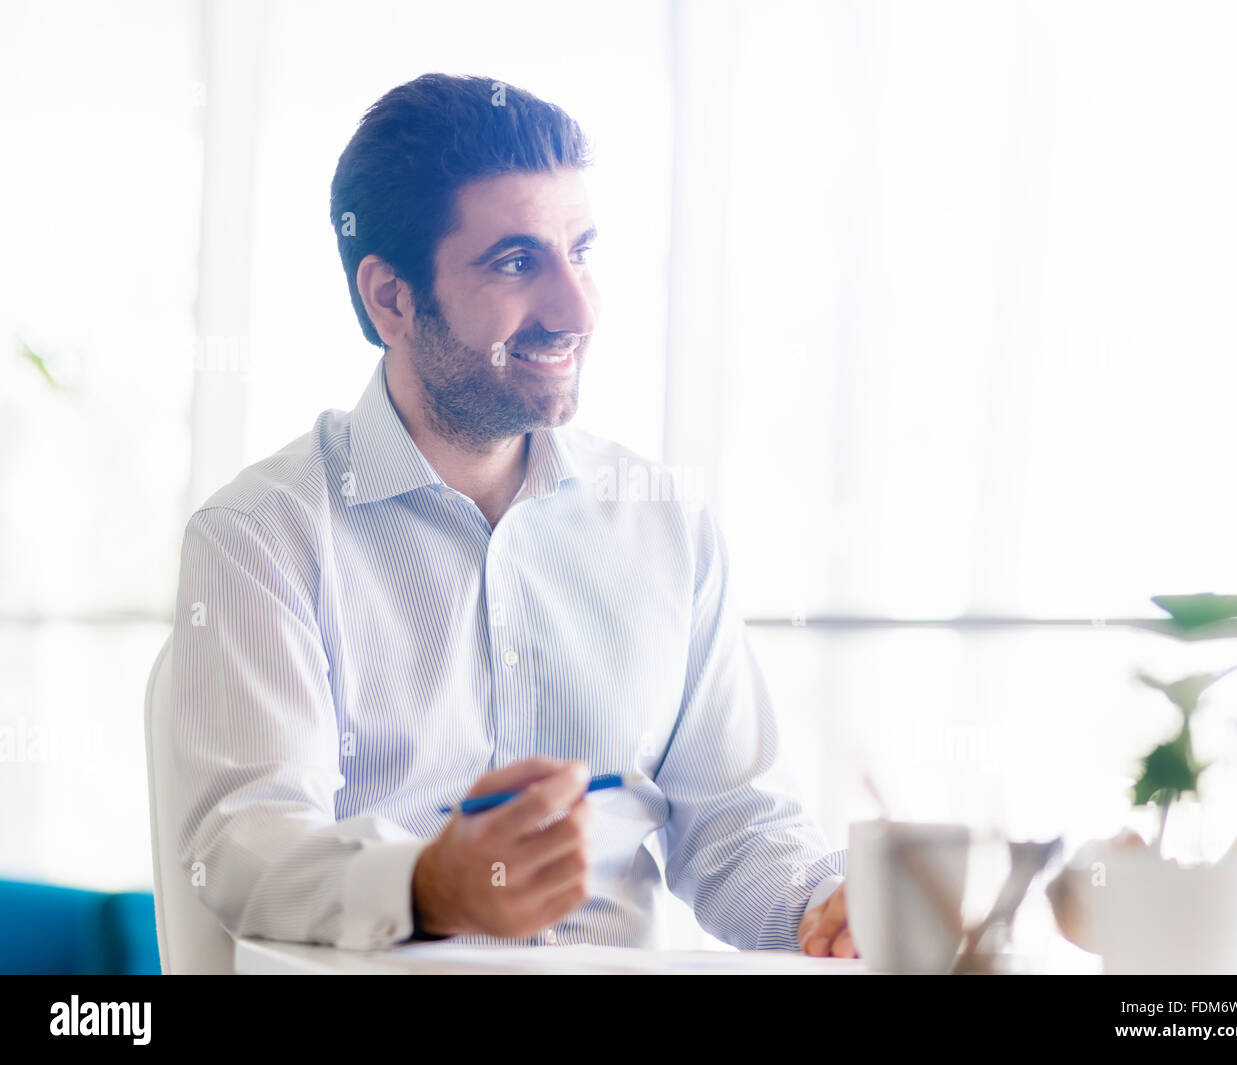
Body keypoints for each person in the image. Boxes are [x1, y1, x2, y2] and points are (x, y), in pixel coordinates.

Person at [170, 73, 853, 957]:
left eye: (582, 251)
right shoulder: (263, 537)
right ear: (392, 299)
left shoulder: (664, 526)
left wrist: (820, 907)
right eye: (518, 262)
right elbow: (242, 845)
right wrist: (426, 885)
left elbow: (735, 824)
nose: (578, 308)